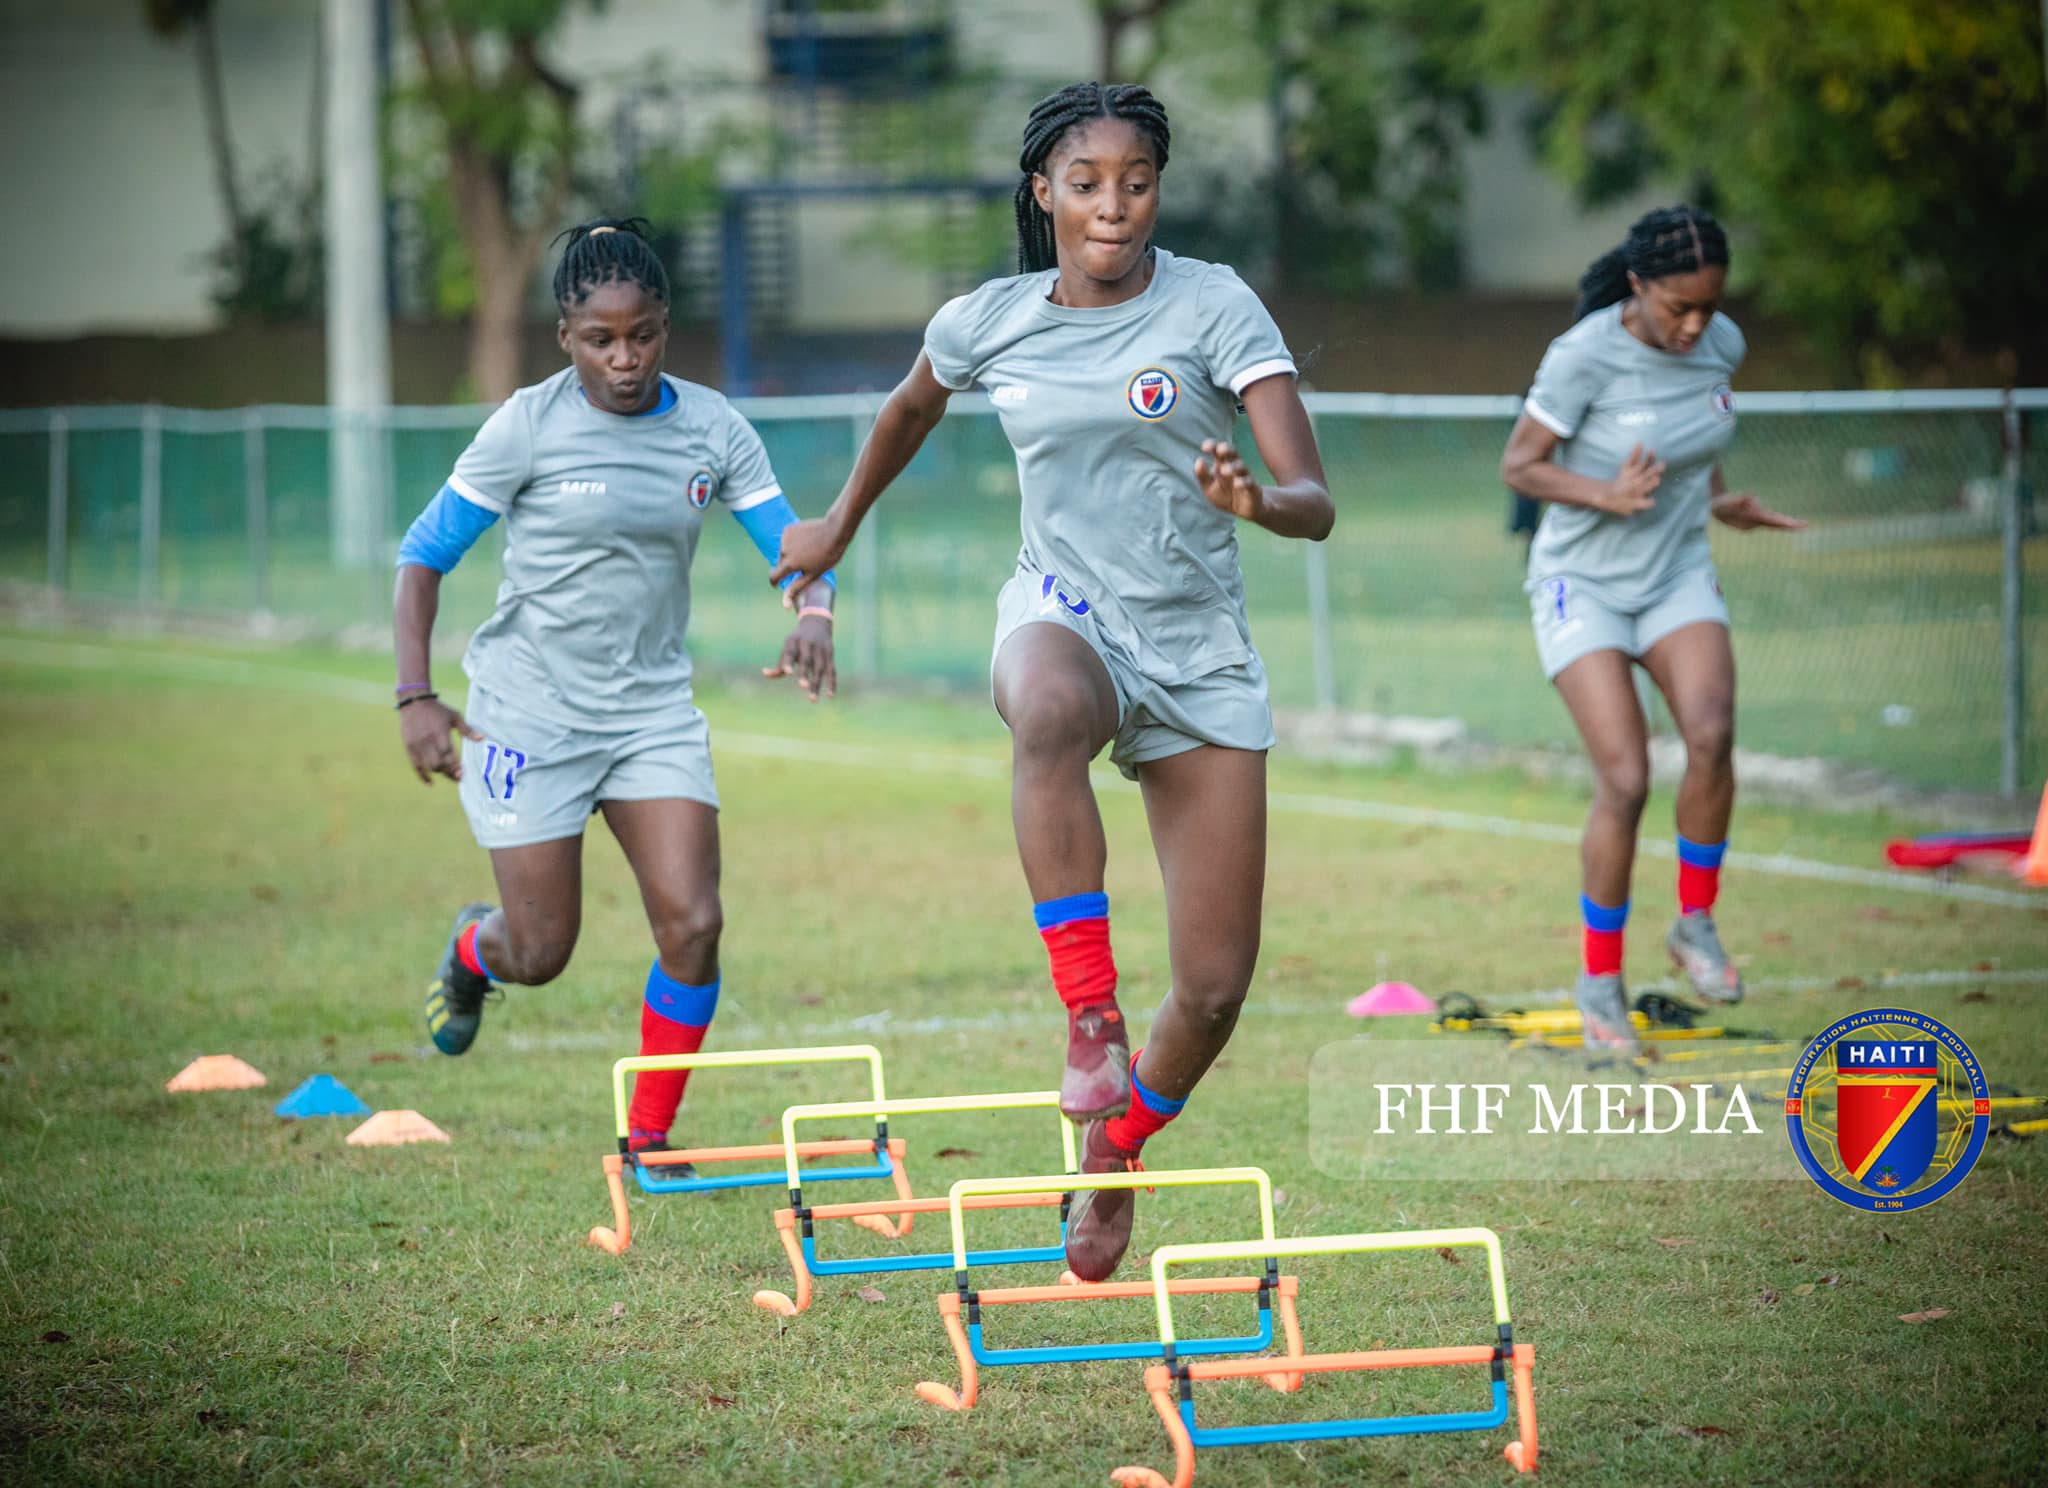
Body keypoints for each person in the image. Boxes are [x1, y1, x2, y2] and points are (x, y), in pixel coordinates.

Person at [767, 84, 1334, 1280]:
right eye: (1085, 182)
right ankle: (1088, 1018)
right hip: (1064, 609)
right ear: (1043, 193)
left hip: (1197, 651)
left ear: (1157, 192)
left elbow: (1313, 500)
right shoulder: (990, 318)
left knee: (1217, 988)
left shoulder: (1213, 302)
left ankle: (1117, 1151)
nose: (1112, 206)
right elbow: (911, 404)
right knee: (1046, 704)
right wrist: (835, 523)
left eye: (1135, 181)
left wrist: (1253, 502)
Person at [392, 218, 836, 1167]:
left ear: (665, 326)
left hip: (649, 716)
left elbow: (794, 548)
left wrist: (813, 614)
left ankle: (648, 1137)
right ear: (566, 337)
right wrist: (414, 696)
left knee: (696, 921)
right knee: (541, 953)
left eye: (643, 335)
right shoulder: (527, 425)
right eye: (601, 339)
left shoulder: (713, 427)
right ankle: (476, 949)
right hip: (525, 714)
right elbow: (423, 557)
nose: (625, 359)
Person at [1499, 206, 1805, 1055]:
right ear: (1639, 287)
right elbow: (1518, 465)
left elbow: (1697, 433)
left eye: (1710, 305)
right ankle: (1600, 981)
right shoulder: (1583, 355)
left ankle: (1695, 926)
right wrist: (1606, 495)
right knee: (1627, 777)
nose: (1696, 324)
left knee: (1712, 733)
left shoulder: (1720, 344)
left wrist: (1716, 500)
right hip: (1582, 582)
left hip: (1674, 573)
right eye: (1680, 307)